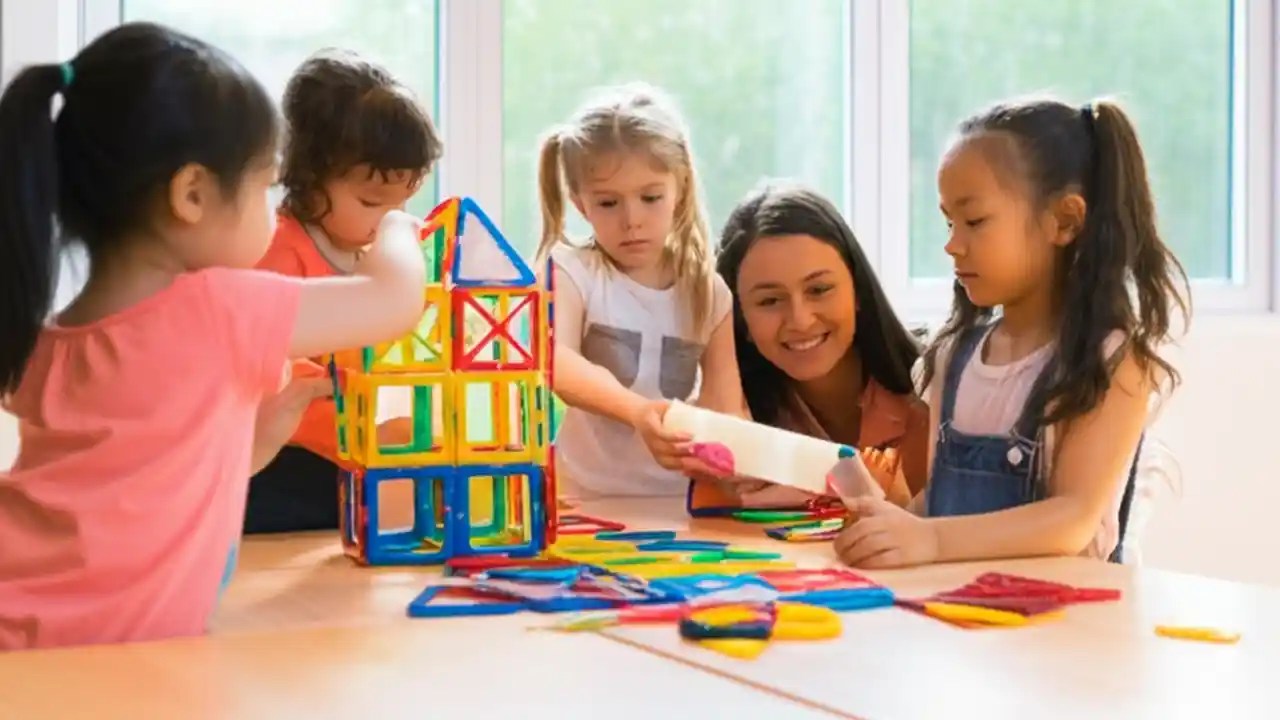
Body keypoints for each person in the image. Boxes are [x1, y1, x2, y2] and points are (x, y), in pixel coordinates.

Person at [0, 23, 426, 650]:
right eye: (265, 186)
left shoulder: (52, 340)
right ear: (193, 194)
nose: (274, 208)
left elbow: (140, 490)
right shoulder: (219, 308)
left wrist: (254, 442)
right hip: (69, 657)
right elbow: (392, 301)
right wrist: (397, 229)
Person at [835, 97, 1190, 568]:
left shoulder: (1112, 360)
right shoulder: (953, 356)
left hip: (1067, 610)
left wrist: (931, 540)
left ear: (1064, 221)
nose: (952, 244)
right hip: (955, 604)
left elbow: (1073, 519)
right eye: (949, 222)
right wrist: (891, 520)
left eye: (974, 221)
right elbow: (940, 508)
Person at [247, 48, 443, 534]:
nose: (390, 221)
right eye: (372, 202)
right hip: (284, 461)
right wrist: (365, 432)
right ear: (309, 178)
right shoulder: (279, 252)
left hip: (351, 454)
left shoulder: (375, 253)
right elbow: (280, 389)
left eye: (402, 203)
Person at [536, 83, 746, 499]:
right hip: (581, 501)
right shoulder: (570, 271)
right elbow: (556, 361)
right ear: (580, 204)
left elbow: (725, 405)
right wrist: (638, 412)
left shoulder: (710, 292)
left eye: (650, 197)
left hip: (680, 507)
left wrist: (732, 457)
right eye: (608, 203)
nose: (632, 220)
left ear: (680, 189)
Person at [689, 183, 929, 513]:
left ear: (858, 290)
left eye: (819, 289)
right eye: (769, 301)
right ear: (740, 318)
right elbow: (709, 506)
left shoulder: (937, 392)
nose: (800, 321)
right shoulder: (732, 410)